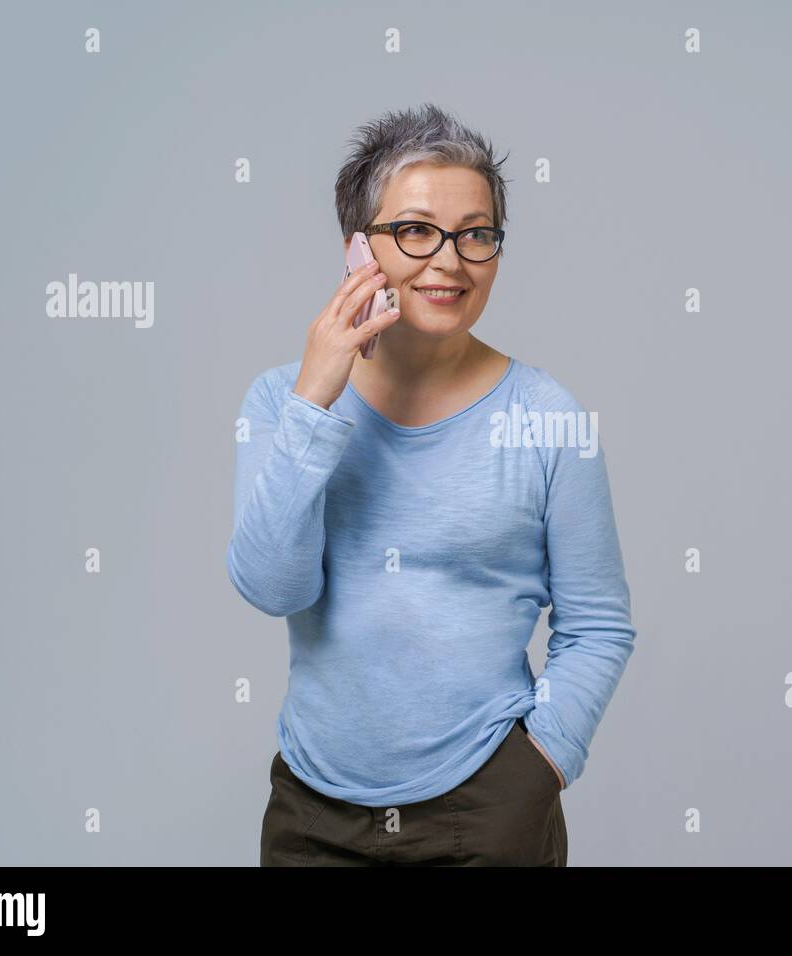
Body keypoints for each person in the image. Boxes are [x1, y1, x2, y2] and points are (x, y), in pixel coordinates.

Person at [228, 103, 636, 866]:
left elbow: (599, 625)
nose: (449, 261)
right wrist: (315, 400)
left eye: (475, 234)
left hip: (487, 810)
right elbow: (272, 586)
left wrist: (537, 768)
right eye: (415, 230)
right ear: (357, 249)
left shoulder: (547, 416)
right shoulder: (280, 402)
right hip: (313, 810)